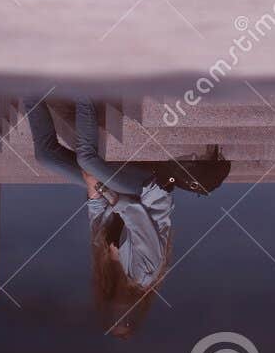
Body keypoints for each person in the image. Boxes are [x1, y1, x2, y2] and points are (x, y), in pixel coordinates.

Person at [23, 97, 173, 338]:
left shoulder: (104, 270)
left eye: (116, 318)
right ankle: (84, 93)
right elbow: (136, 213)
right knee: (87, 160)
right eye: (127, 319)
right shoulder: (146, 273)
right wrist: (101, 187)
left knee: (46, 156)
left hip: (114, 192)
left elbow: (97, 217)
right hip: (145, 190)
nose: (121, 314)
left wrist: (93, 192)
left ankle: (28, 92)